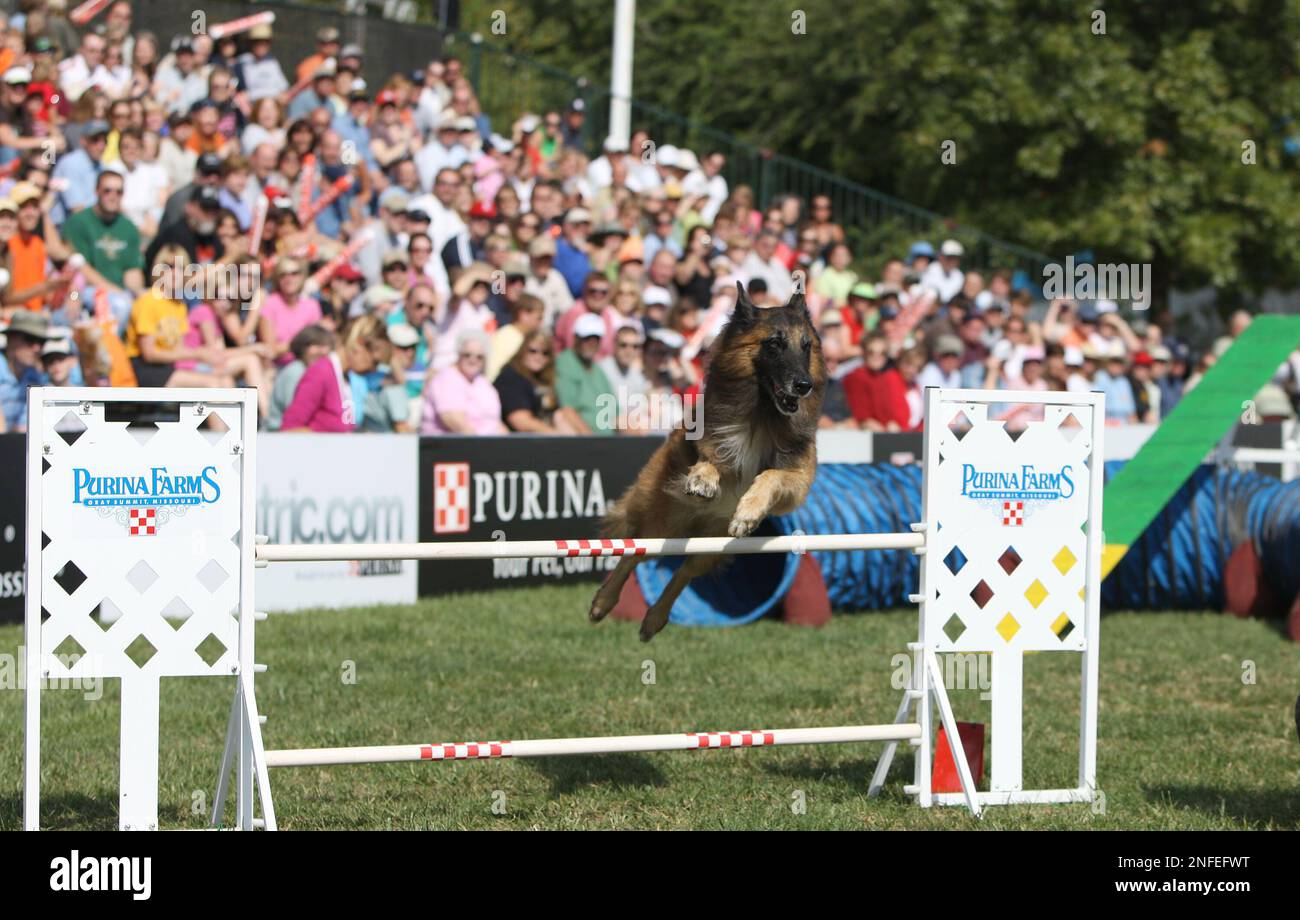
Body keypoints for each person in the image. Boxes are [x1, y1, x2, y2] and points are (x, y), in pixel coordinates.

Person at [124, 246, 231, 389]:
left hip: (168, 367)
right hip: (145, 369)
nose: (175, 273)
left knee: (224, 379)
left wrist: (204, 356)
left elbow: (178, 349)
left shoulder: (179, 305)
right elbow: (149, 354)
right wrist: (197, 354)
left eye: (180, 268)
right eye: (169, 267)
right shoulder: (148, 300)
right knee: (211, 383)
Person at [59, 169, 144, 327]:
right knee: (121, 306)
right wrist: (118, 294)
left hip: (119, 292)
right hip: (82, 291)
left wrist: (140, 297)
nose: (113, 196)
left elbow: (132, 272)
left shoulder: (129, 227)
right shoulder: (79, 222)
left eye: (119, 192)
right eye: (107, 190)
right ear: (96, 191)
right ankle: (110, 351)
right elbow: (81, 269)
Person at [281, 315, 392, 432]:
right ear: (359, 344)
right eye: (375, 362)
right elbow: (291, 428)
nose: (373, 369)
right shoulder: (321, 372)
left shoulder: (347, 378)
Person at [495, 329, 589, 433]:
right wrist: (555, 436)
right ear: (523, 351)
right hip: (521, 441)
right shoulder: (511, 377)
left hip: (547, 437)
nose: (538, 357)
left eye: (545, 353)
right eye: (533, 351)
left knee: (561, 416)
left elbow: (557, 413)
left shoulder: (544, 378)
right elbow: (520, 421)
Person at [420, 328, 507, 434]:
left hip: (488, 443)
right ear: (459, 354)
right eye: (467, 355)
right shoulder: (447, 379)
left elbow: (495, 422)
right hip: (455, 445)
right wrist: (482, 445)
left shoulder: (482, 383)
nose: (473, 360)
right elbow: (453, 420)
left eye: (479, 357)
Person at [556, 312, 616, 435]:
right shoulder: (565, 362)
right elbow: (567, 410)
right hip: (584, 443)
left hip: (610, 441)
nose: (591, 343)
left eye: (596, 339)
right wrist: (592, 441)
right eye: (587, 338)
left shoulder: (598, 369)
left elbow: (616, 412)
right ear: (576, 338)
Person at [266, 324, 334, 431]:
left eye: (325, 346)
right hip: (279, 433)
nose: (322, 351)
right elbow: (295, 412)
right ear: (302, 347)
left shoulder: (323, 372)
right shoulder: (295, 371)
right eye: (316, 345)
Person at [0, 310, 54, 431]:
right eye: (30, 339)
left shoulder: (34, 376)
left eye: (41, 342)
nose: (37, 348)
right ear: (10, 339)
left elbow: (25, 428)